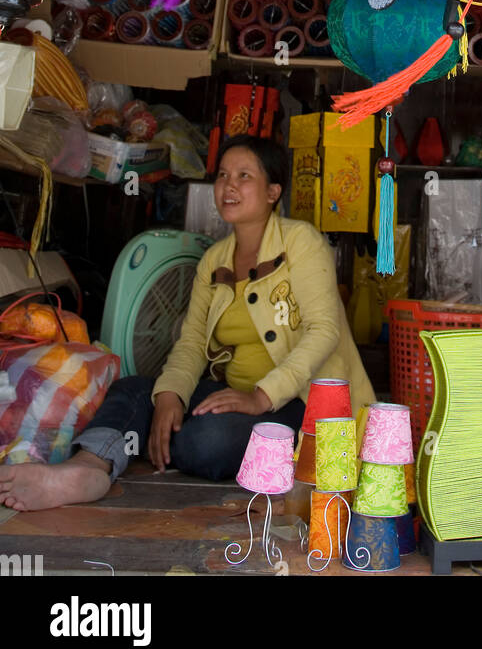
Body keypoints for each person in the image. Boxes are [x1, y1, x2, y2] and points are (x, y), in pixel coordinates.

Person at [0, 134, 375, 511]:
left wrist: (260, 396)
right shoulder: (214, 261)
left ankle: (155, 438)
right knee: (135, 390)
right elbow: (192, 341)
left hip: (296, 401)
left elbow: (323, 331)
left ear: (273, 191)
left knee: (205, 443)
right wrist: (170, 396)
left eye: (244, 176)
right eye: (223, 175)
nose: (229, 185)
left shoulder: (301, 242)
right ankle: (90, 467)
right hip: (231, 395)